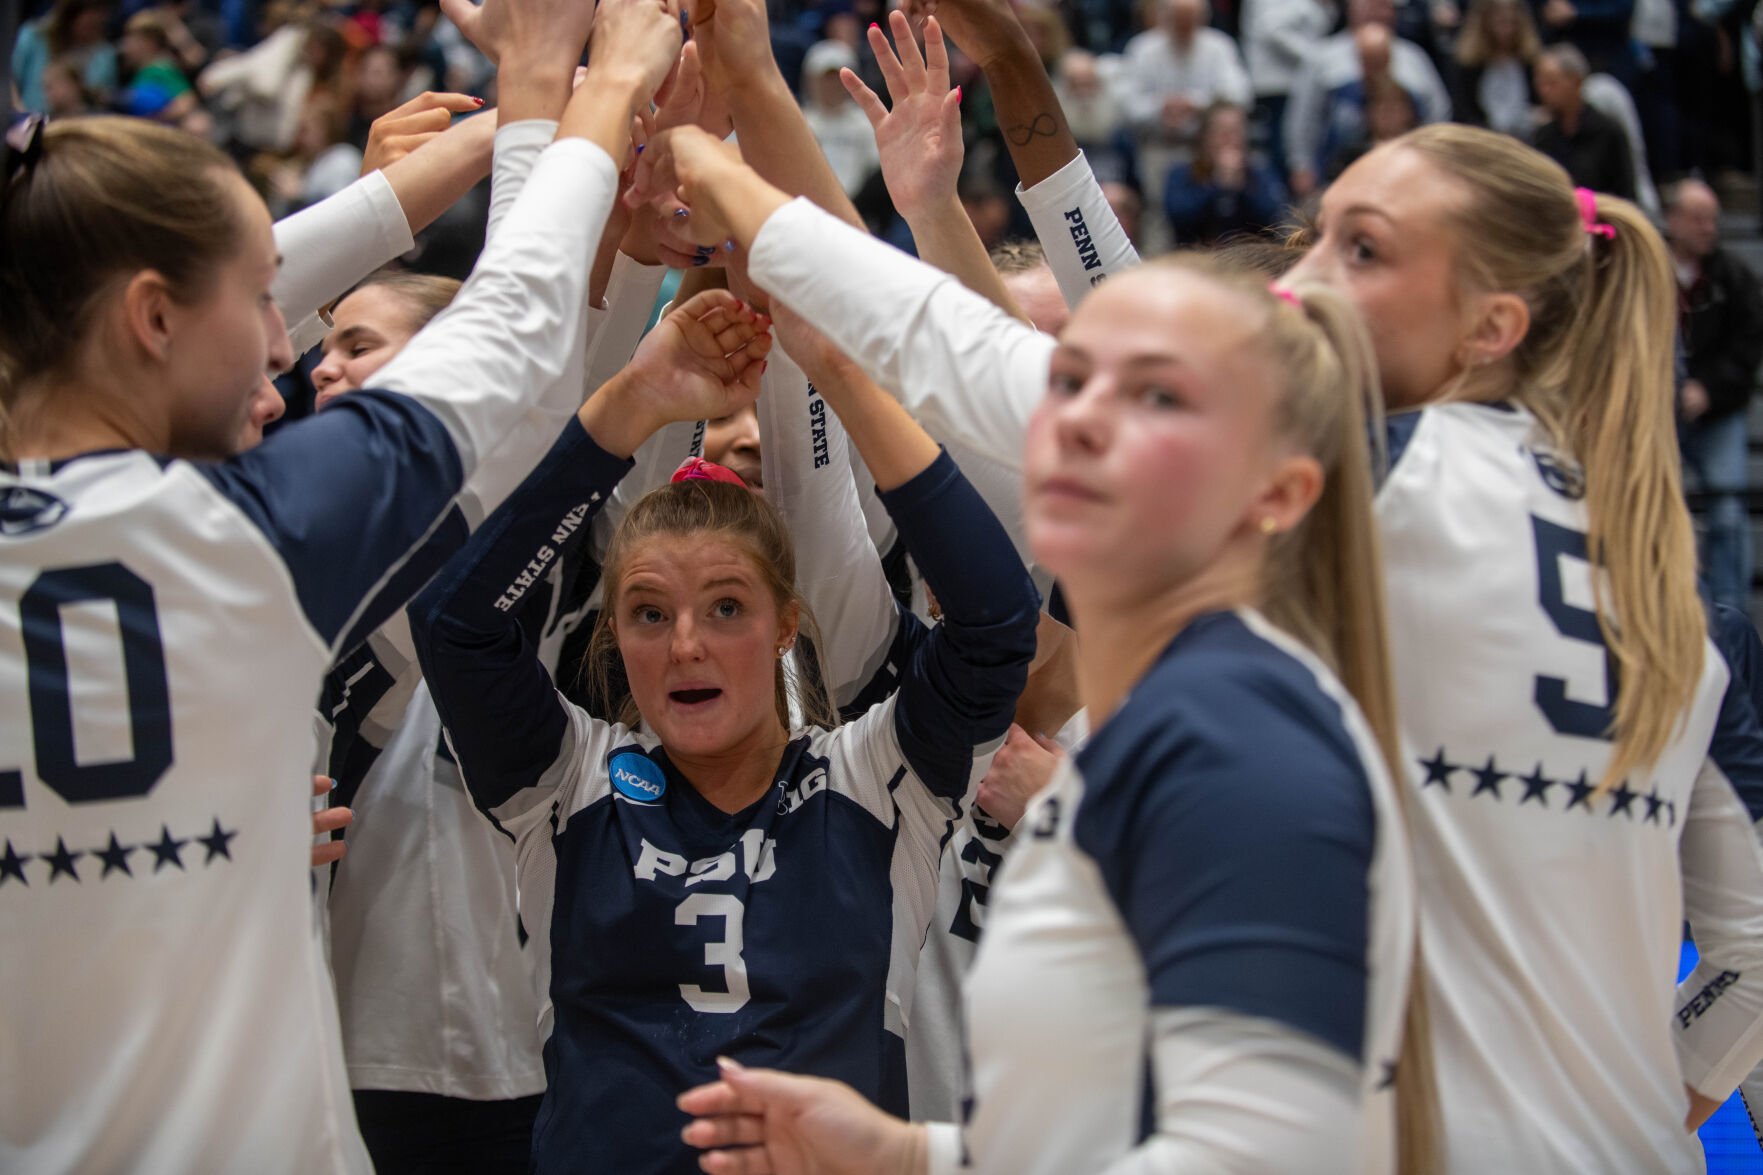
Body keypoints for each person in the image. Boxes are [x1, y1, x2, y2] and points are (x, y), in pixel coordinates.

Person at [646, 129, 1429, 1173]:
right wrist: (910, 1152)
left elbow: (1253, 1147)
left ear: (1276, 494)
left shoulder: (1244, 747)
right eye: (1062, 390)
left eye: (1138, 402)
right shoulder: (1170, 715)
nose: (1050, 429)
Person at [0, 0, 685, 1163]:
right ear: (154, 318)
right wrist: (576, 88)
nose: (286, 339)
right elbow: (518, 360)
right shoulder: (244, 537)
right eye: (262, 291)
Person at [407, 252, 1038, 1175]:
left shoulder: (873, 777)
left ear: (787, 625)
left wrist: (843, 376)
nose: (687, 645)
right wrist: (632, 402)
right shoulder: (568, 779)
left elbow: (994, 620)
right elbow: (454, 621)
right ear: (613, 635)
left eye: (727, 608)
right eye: (650, 614)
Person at [1284, 123, 1763, 1169]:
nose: (1306, 284)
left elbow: (1067, 389)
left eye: (1359, 251)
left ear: (1490, 323)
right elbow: (1754, 950)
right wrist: (1651, 1103)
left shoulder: (1385, 474)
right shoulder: (1682, 591)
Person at [1667, 177, 1763, 615]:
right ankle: (1668, 607)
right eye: (1698, 219)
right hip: (1658, 411)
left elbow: (1748, 346)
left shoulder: (1734, 277)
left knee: (1727, 511)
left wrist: (1707, 387)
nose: (1708, 228)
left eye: (1714, 220)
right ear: (1673, 220)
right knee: (1656, 507)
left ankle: (1733, 614)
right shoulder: (1649, 270)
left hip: (1719, 408)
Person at [1284, 0, 1450, 197]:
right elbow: (1305, 117)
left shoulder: (1413, 57)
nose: (1377, 11)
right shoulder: (1323, 58)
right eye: (1369, 4)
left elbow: (1438, 113)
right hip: (1340, 167)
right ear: (1351, 8)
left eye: (1383, 5)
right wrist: (1301, 164)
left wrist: (1436, 159)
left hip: (1406, 165)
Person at [1163, 100, 1289, 243]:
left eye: (1236, 132)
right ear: (1205, 136)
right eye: (1221, 132)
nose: (1229, 140)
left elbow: (1273, 218)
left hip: (1251, 256)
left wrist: (1241, 187)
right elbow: (1180, 219)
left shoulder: (1259, 169)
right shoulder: (1182, 171)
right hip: (1197, 255)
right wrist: (1216, 185)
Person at [1531, 43, 1635, 199]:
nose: (1544, 91)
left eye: (1552, 83)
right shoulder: (1543, 137)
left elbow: (1625, 193)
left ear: (1576, 82)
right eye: (1540, 84)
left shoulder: (1608, 131)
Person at [1452, 0, 1542, 138]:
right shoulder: (1467, 65)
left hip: (1529, 137)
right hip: (1483, 138)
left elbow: (1539, 104)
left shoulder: (1530, 60)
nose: (1507, 30)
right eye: (1500, 22)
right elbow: (1463, 114)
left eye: (1512, 22)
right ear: (1484, 22)